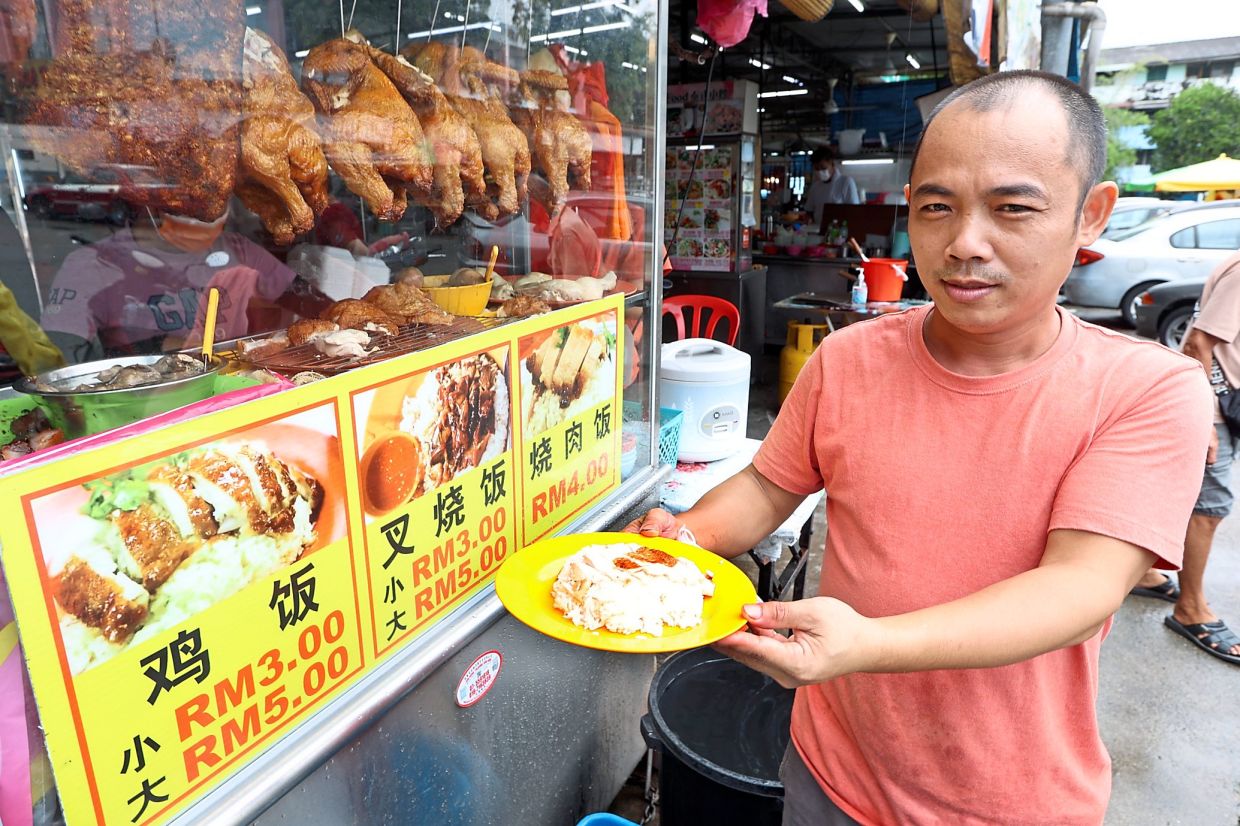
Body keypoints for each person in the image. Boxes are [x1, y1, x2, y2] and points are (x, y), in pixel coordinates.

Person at [627, 70, 1213, 824]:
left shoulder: (1149, 389)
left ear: (1090, 214)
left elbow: (1078, 587)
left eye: (1013, 209)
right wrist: (684, 539)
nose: (965, 243)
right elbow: (767, 490)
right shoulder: (848, 358)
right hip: (827, 770)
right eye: (937, 207)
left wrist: (866, 644)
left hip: (1006, 802)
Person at [1129, 248, 1240, 665]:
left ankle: (1141, 572)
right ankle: (1190, 608)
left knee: (1177, 493)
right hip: (1215, 408)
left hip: (1226, 404)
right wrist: (1205, 420)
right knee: (1209, 508)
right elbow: (1197, 342)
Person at [41, 207, 328, 363]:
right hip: (146, 407)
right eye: (183, 201)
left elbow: (309, 300)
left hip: (238, 392)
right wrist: (166, 348)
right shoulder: (93, 264)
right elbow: (58, 361)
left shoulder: (238, 251)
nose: (198, 212)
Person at [801, 146, 860, 228]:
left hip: (840, 233)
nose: (820, 171)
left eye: (823, 168)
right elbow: (809, 211)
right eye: (817, 169)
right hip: (818, 230)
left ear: (832, 164)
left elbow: (854, 212)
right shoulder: (815, 187)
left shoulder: (846, 182)